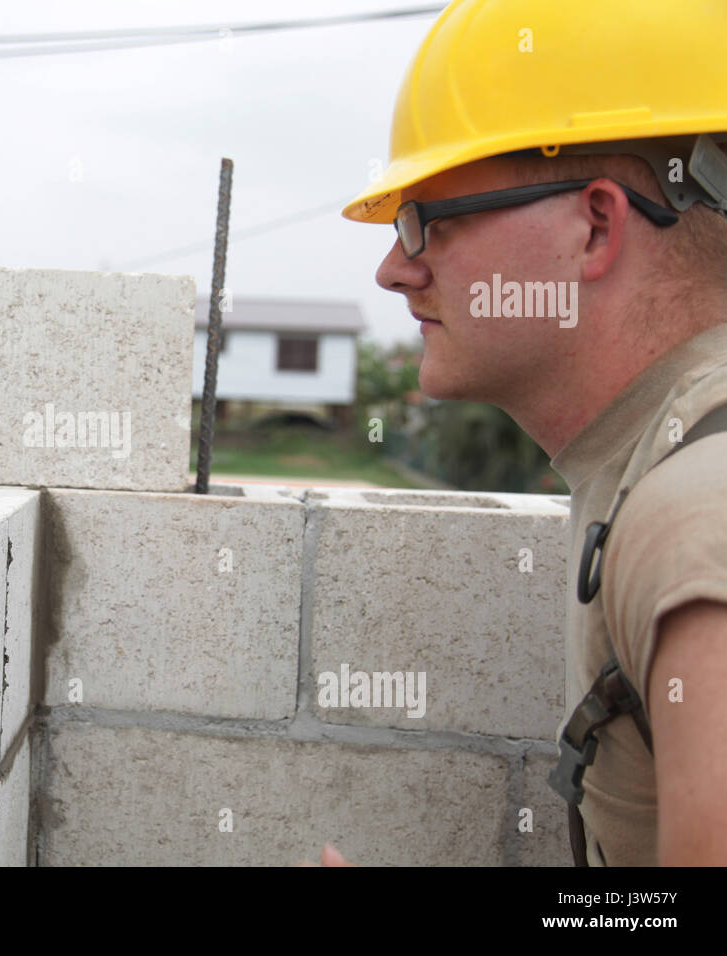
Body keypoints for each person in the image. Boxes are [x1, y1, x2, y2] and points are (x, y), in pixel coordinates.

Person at [341, 0, 727, 865]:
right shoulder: (662, 460)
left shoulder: (698, 512)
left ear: (594, 223)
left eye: (425, 219)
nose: (395, 268)